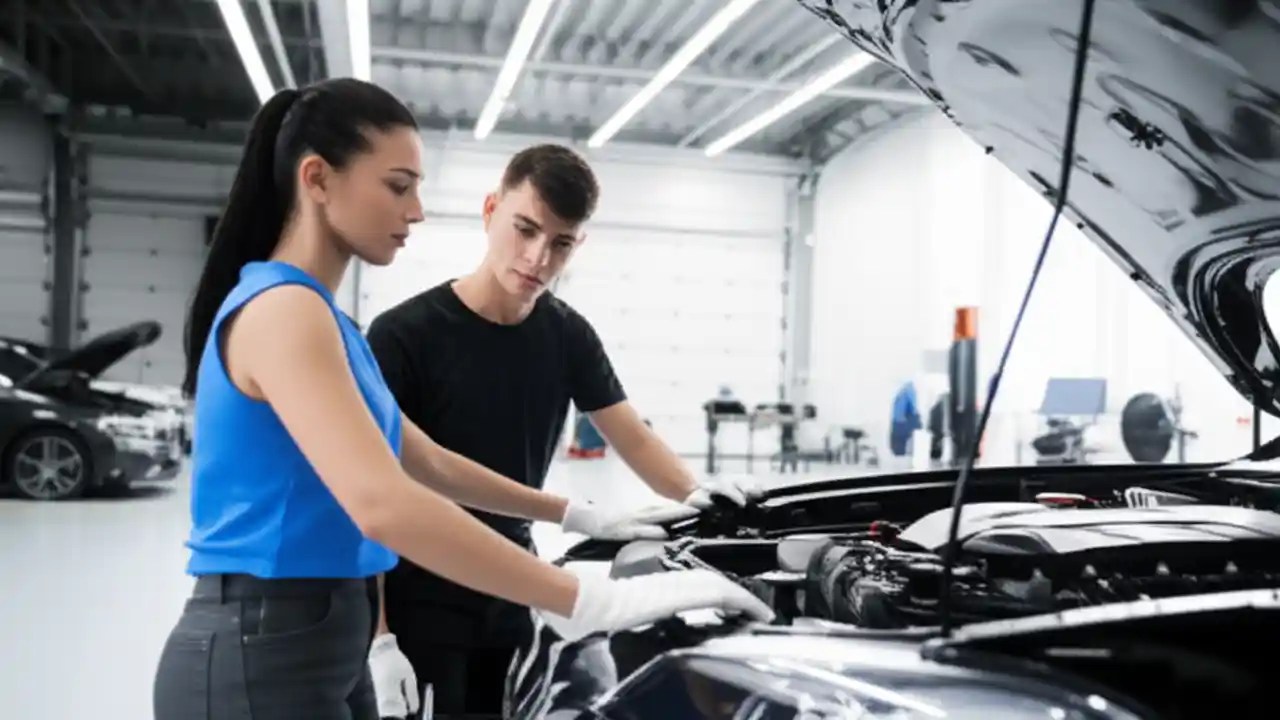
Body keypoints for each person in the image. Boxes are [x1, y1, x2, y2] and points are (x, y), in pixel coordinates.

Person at [150, 80, 772, 720]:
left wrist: (576, 515)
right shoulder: (286, 310)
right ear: (317, 179)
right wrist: (588, 599)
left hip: (319, 633)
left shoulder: (330, 323)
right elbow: (383, 503)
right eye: (399, 186)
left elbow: (428, 462)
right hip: (264, 643)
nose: (417, 211)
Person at [365, 144, 766, 717]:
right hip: (420, 599)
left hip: (514, 590)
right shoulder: (403, 336)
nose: (538, 258)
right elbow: (373, 492)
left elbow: (631, 435)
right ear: (490, 211)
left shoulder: (567, 335)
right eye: (525, 229)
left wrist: (696, 493)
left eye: (561, 243)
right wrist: (380, 636)